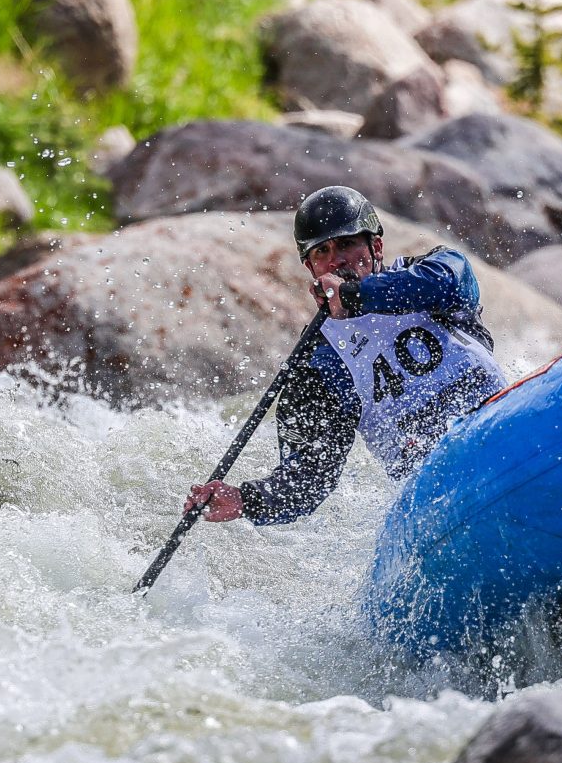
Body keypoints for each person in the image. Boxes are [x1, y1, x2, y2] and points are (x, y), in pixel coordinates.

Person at [185, 185, 508, 525]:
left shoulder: (433, 274)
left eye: (346, 243)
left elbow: (449, 281)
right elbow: (309, 482)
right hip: (438, 490)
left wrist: (355, 296)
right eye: (321, 252)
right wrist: (244, 499)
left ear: (376, 246)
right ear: (312, 270)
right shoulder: (320, 364)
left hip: (502, 427)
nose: (336, 259)